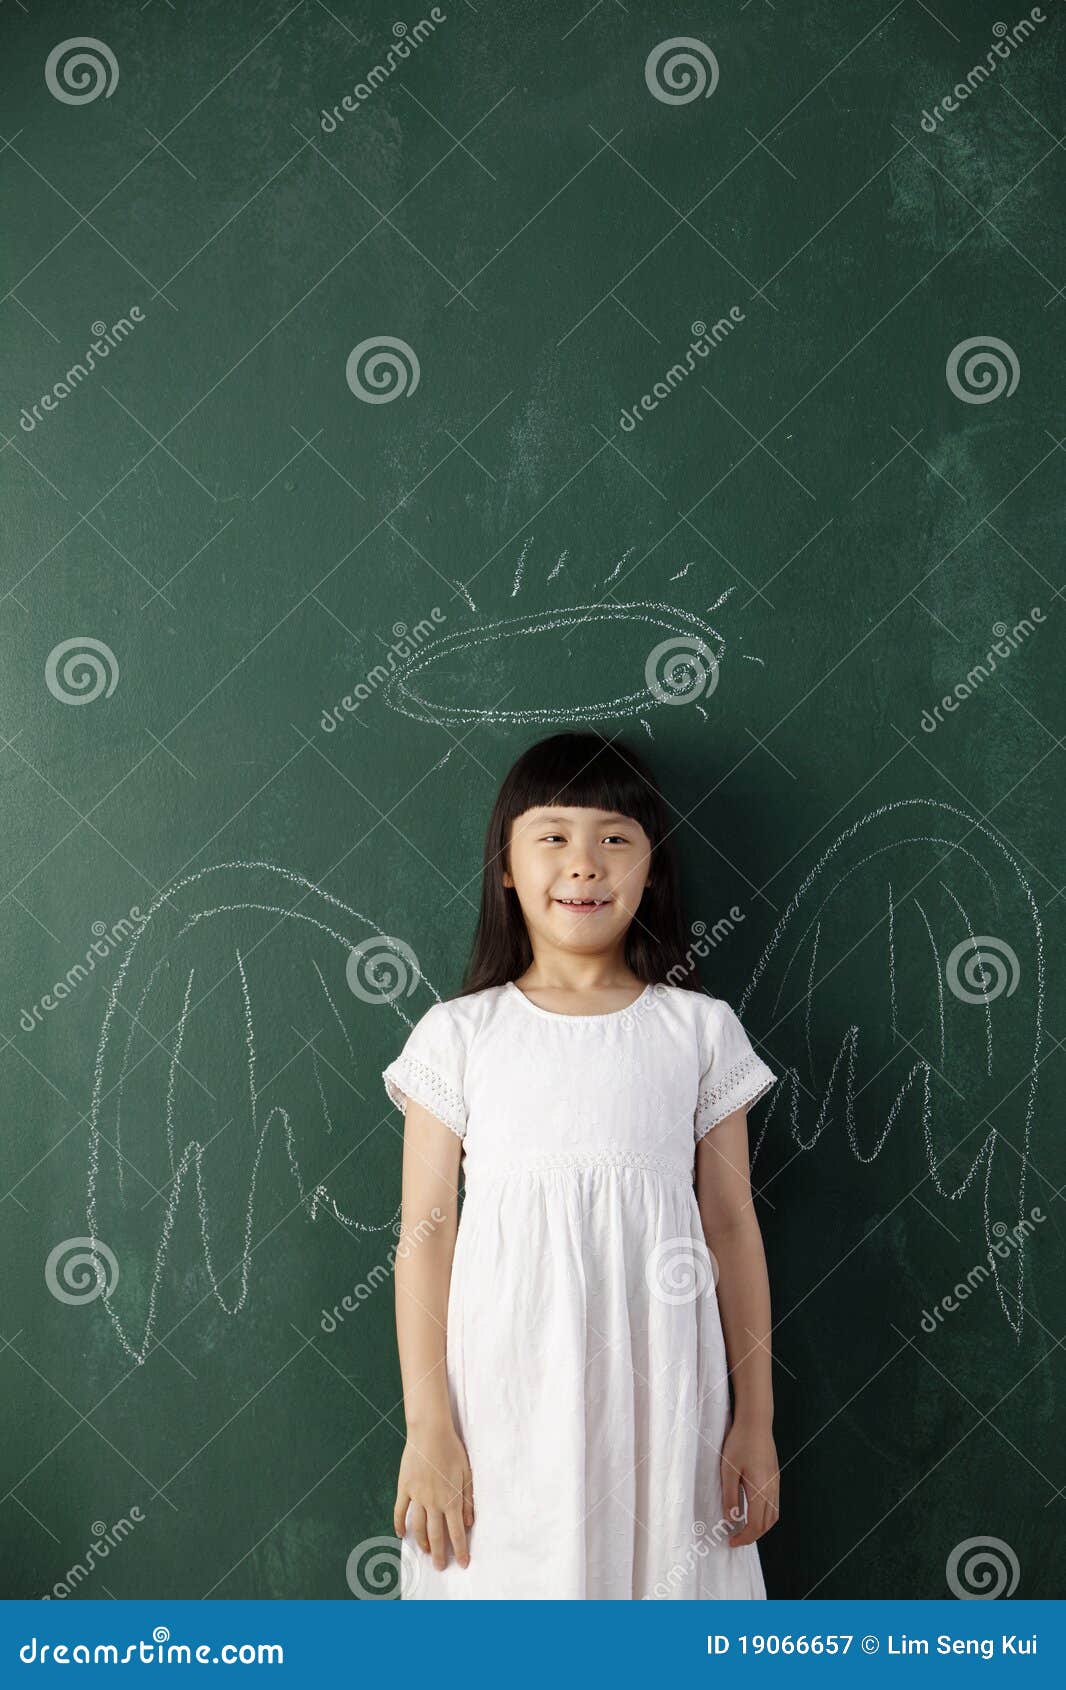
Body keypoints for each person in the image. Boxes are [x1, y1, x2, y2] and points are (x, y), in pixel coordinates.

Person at [382, 730, 780, 1599]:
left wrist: (757, 1422)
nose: (585, 863)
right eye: (553, 836)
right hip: (501, 1405)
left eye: (614, 838)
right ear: (509, 868)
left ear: (651, 869)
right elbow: (425, 1235)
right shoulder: (459, 1035)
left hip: (667, 1400)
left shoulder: (699, 1030)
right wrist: (429, 1427)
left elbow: (732, 1227)